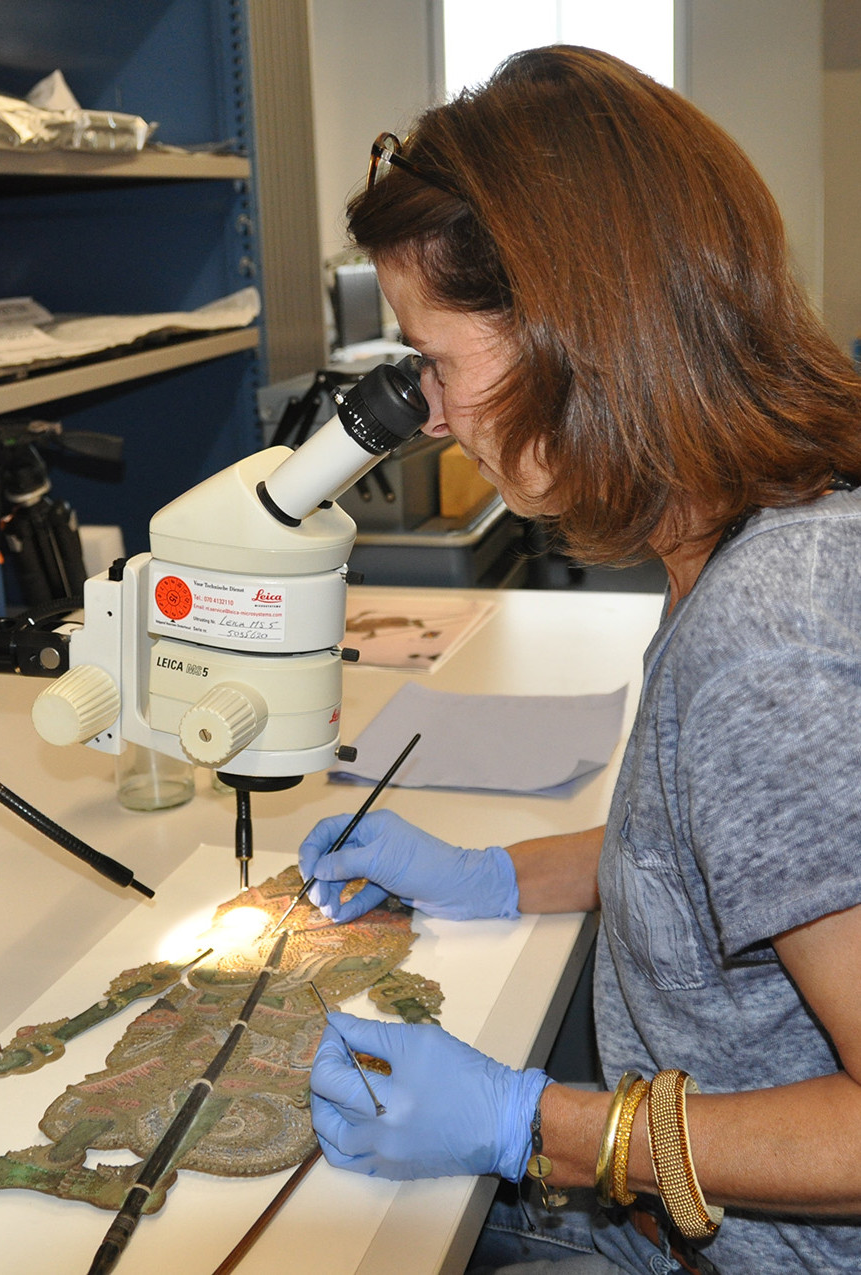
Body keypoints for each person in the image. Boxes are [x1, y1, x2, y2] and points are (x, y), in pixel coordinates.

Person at [304, 46, 861, 1275]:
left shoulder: (765, 646)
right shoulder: (759, 534)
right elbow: (728, 857)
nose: (434, 417)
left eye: (438, 363)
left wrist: (538, 1130)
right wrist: (488, 877)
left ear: (576, 335)